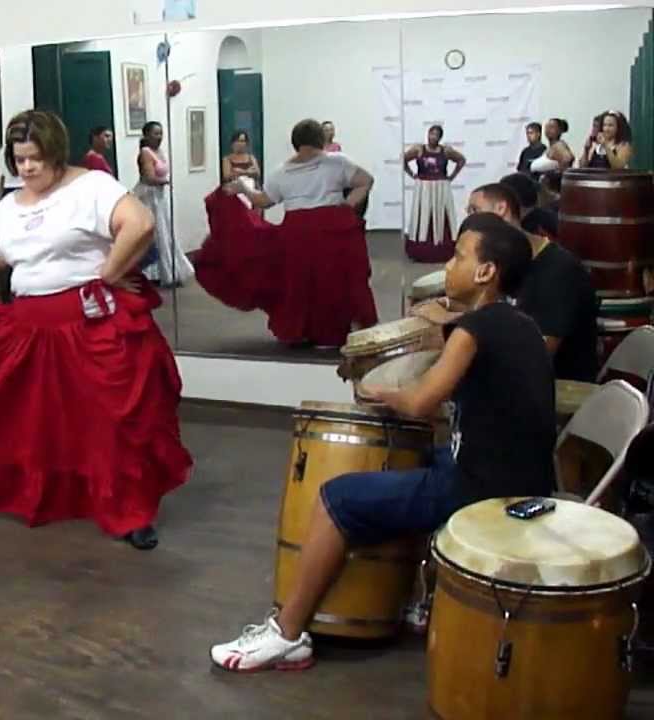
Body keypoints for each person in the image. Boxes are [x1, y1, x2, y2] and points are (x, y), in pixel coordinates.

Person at [210, 213, 556, 671]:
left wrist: (379, 392)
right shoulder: (517, 323)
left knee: (337, 496)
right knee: (413, 456)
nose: (449, 266)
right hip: (522, 478)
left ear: (485, 272)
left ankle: (287, 634)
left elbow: (420, 404)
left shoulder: (475, 332)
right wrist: (443, 316)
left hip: (483, 491)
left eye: (458, 256)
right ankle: (414, 598)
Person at [0, 109, 193, 551]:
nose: (27, 168)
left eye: (36, 159)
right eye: (20, 159)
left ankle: (131, 511)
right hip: (31, 326)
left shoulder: (92, 187)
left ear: (56, 154)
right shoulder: (9, 206)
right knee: (39, 420)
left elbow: (139, 223)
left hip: (90, 324)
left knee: (114, 419)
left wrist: (107, 273)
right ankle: (65, 494)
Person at [416, 182, 598, 382]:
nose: (471, 220)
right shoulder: (511, 262)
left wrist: (450, 327)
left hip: (553, 386)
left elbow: (533, 355)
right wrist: (451, 308)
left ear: (502, 209)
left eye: (475, 210)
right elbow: (501, 317)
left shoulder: (558, 271)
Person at [226, 118, 376, 348]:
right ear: (320, 139)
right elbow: (366, 181)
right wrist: (347, 207)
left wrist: (243, 188)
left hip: (297, 231)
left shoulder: (281, 171)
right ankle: (334, 333)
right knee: (337, 280)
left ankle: (303, 330)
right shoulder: (337, 162)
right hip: (333, 226)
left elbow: (264, 201)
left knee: (301, 282)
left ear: (295, 142)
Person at [134, 121, 193, 286]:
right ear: (146, 135)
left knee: (166, 233)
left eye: (161, 133)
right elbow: (148, 177)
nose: (159, 137)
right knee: (156, 234)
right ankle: (152, 272)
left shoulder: (158, 152)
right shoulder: (145, 153)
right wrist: (163, 181)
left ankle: (169, 270)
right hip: (149, 197)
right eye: (155, 134)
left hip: (159, 197)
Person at [403, 124, 466, 263]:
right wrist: (412, 174)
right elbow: (403, 159)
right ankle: (420, 248)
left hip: (441, 187)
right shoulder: (419, 149)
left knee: (441, 215)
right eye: (431, 133)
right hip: (423, 187)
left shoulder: (446, 151)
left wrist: (452, 177)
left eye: (436, 134)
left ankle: (441, 247)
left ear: (440, 137)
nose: (433, 137)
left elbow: (461, 160)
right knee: (423, 215)